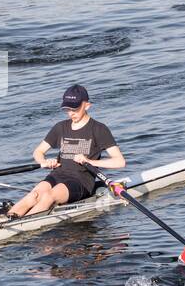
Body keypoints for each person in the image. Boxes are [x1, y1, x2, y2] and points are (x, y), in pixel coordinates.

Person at [7, 85, 126, 218]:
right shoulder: (60, 127)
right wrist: (44, 162)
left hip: (80, 181)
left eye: (74, 108)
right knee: (33, 195)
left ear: (87, 105)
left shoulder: (99, 129)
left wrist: (88, 161)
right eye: (67, 109)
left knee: (49, 196)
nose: (71, 113)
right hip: (57, 174)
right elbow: (38, 151)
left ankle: (23, 224)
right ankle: (8, 218)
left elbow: (119, 162)